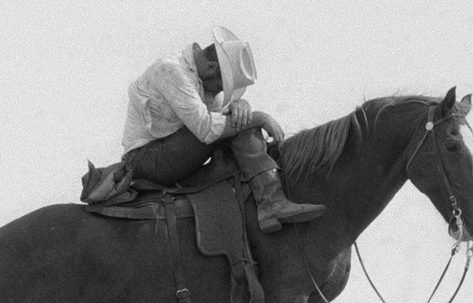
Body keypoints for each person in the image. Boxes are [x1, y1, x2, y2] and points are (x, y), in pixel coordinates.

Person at [119, 27, 325, 233]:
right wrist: (258, 117)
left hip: (171, 154)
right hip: (145, 160)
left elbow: (221, 117)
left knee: (239, 124)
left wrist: (240, 105)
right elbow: (206, 128)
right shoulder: (171, 71)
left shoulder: (199, 79)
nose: (219, 93)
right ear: (210, 68)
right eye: (220, 86)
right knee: (241, 126)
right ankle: (271, 202)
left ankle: (269, 201)